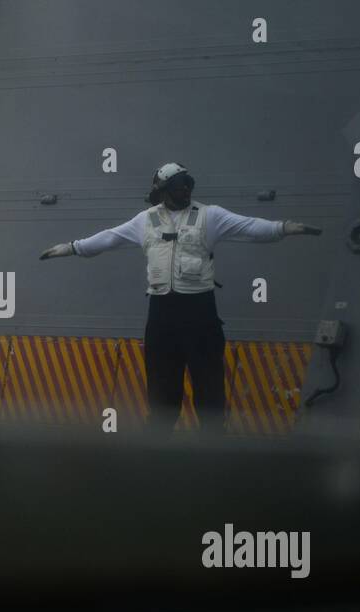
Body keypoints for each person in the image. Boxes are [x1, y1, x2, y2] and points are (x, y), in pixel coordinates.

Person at [39, 162, 321, 432]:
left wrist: (282, 228)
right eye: (177, 186)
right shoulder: (145, 221)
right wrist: (73, 247)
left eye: (187, 184)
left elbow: (249, 226)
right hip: (162, 315)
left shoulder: (209, 215)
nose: (185, 190)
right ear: (162, 191)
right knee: (162, 393)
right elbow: (110, 237)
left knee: (209, 389)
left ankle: (212, 452)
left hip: (200, 314)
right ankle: (159, 452)